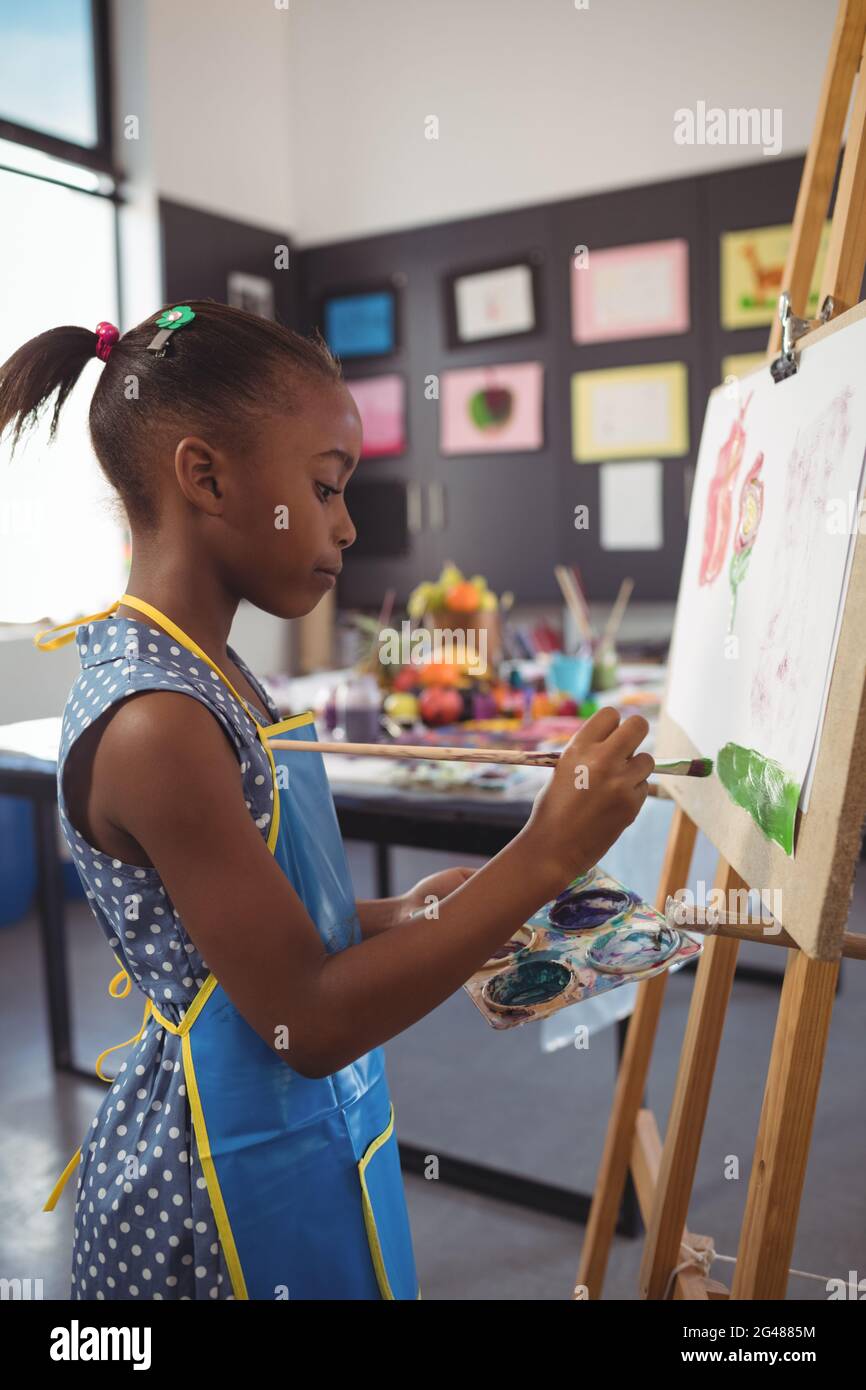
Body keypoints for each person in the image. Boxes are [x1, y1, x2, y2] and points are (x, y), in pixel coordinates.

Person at [0, 302, 653, 1300]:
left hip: (280, 1135)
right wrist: (540, 857)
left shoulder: (208, 670)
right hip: (207, 1197)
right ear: (206, 476)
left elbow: (268, 930)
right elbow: (304, 1017)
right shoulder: (157, 721)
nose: (346, 525)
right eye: (323, 486)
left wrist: (416, 912)